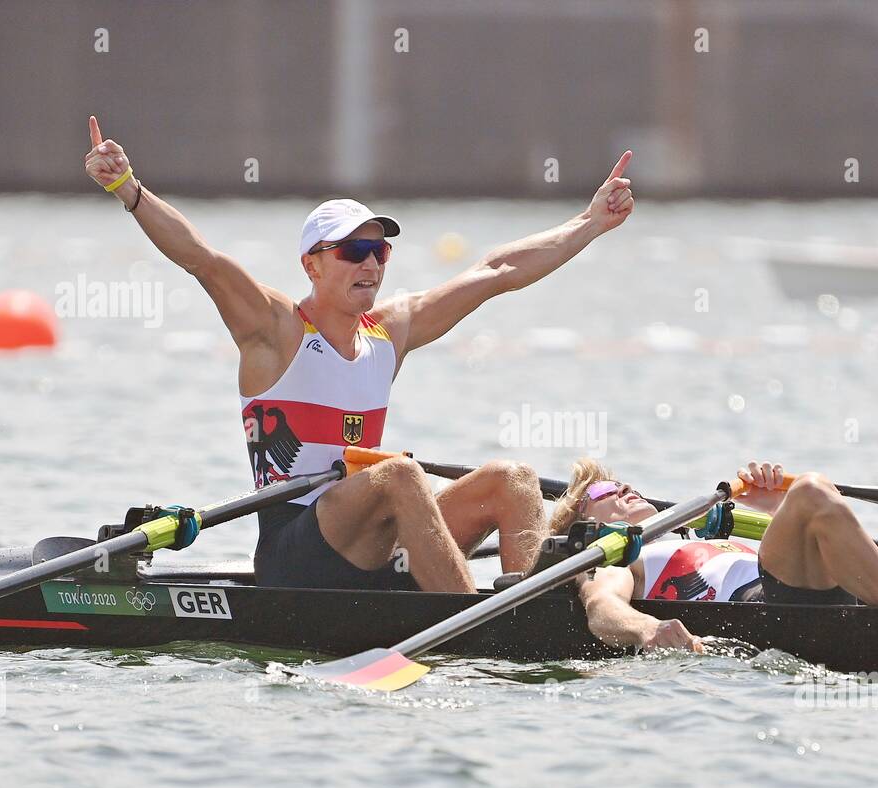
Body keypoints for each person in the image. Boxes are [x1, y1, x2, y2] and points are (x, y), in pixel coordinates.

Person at [83, 115, 635, 592]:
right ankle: (480, 618)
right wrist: (130, 189)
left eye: (379, 250)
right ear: (313, 264)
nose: (370, 264)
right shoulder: (274, 331)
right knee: (401, 474)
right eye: (354, 250)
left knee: (513, 477)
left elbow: (496, 272)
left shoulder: (389, 331)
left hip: (372, 541)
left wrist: (588, 224)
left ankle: (531, 608)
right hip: (295, 551)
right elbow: (201, 259)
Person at [550, 459, 878, 651]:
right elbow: (601, 611)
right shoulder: (612, 557)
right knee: (813, 489)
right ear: (588, 522)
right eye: (607, 491)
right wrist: (648, 632)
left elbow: (810, 548)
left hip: (854, 593)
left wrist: (776, 510)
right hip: (773, 607)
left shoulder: (697, 538)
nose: (628, 487)